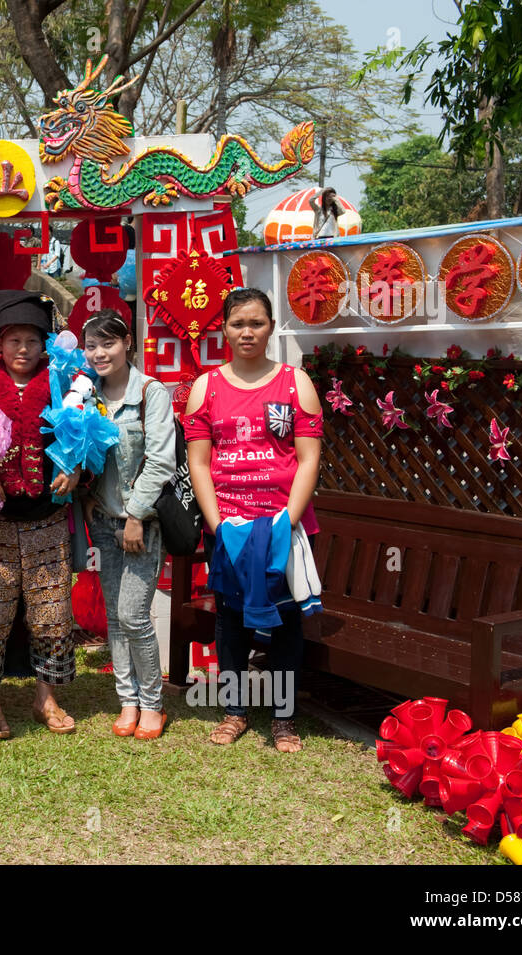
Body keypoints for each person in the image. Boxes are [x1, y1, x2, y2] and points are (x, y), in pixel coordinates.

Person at [183, 287, 322, 753]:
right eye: (238, 323)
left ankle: (283, 719)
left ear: (271, 327)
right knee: (231, 621)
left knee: (286, 621)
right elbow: (198, 463)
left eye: (257, 323)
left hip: (287, 526)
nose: (247, 332)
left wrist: (287, 521)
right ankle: (235, 711)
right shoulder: (206, 387)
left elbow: (307, 459)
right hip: (230, 527)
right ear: (223, 328)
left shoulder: (294, 382)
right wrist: (220, 525)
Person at [0, 290, 82, 739]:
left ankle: (45, 697)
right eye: (13, 340)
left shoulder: (65, 380)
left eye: (32, 340)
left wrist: (76, 471)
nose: (23, 350)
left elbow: (88, 435)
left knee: (51, 611)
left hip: (47, 516)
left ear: (45, 344)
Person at [81, 310, 175, 740]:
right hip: (101, 520)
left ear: (128, 345)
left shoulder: (151, 393)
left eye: (108, 343)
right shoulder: (85, 393)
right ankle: (128, 701)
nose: (99, 353)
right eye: (92, 345)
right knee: (115, 620)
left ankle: (153, 704)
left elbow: (160, 461)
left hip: (141, 523)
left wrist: (136, 515)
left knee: (134, 615)